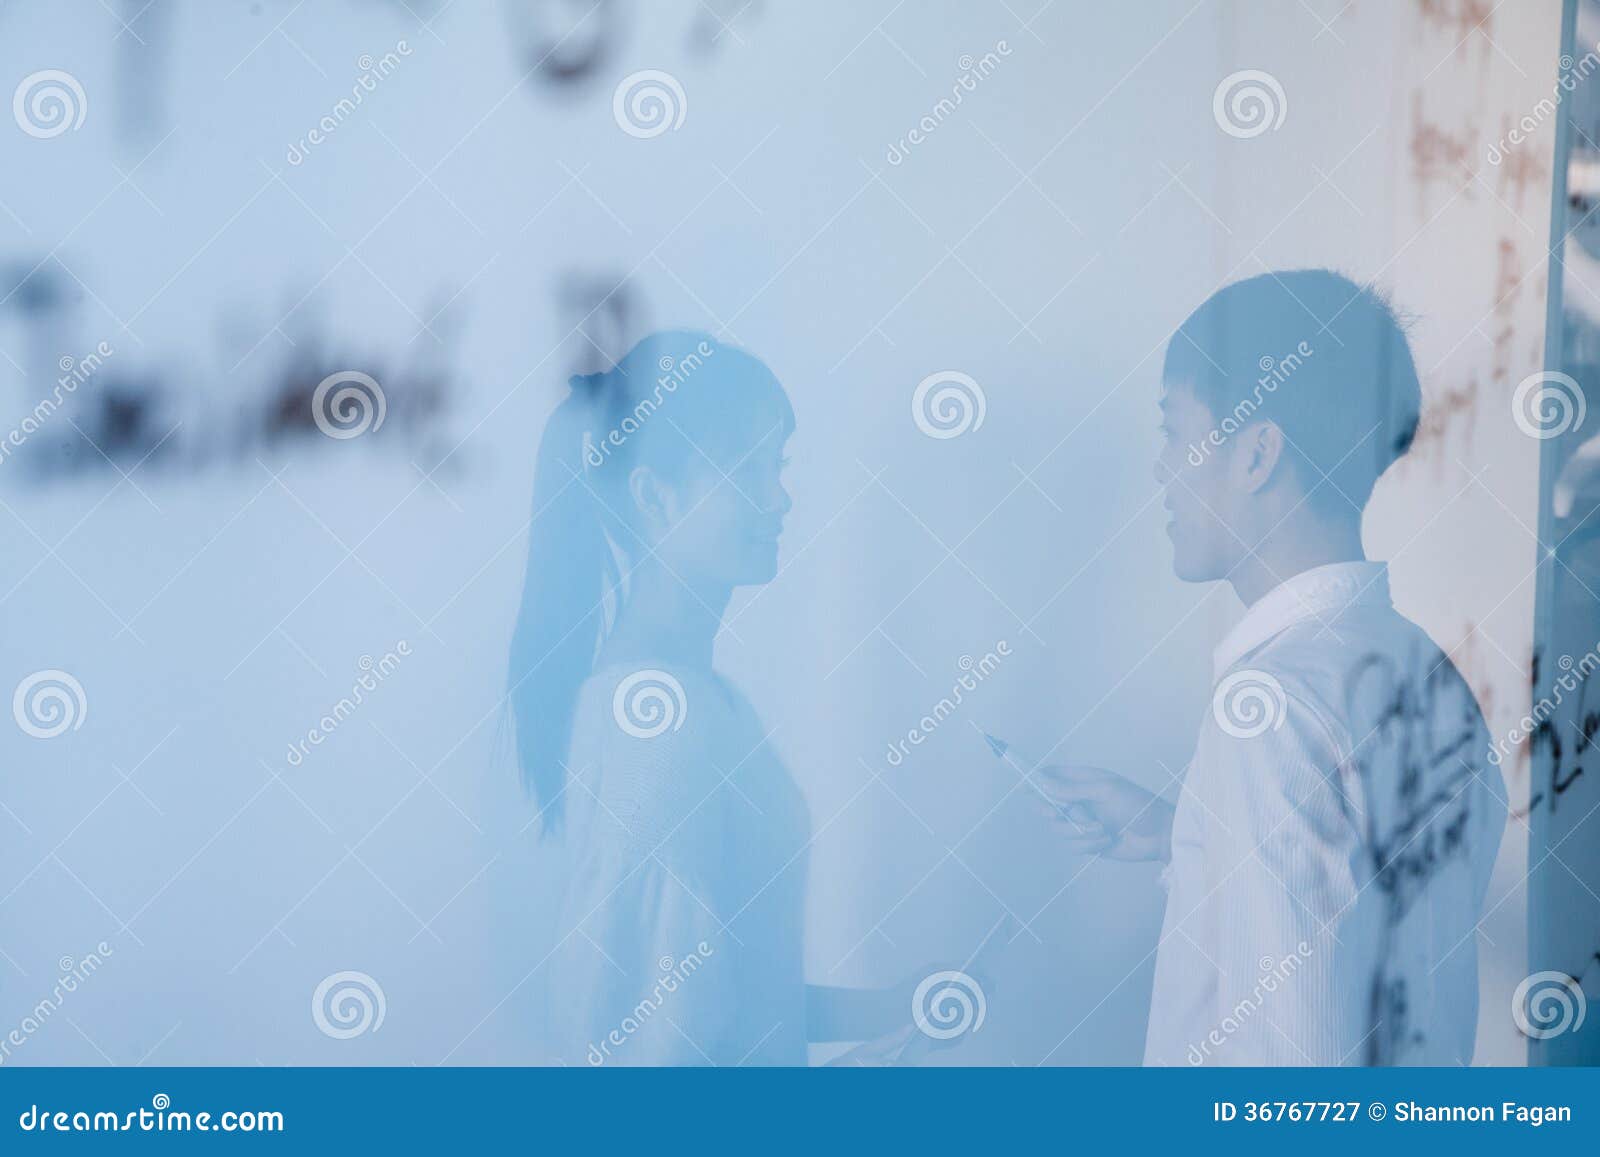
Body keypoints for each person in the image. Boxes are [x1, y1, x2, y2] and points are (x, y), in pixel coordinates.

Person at [1036, 271, 1506, 1065]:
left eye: (1176, 432)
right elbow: (1373, 914)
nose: (1163, 470)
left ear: (1256, 453)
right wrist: (1188, 834)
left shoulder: (1271, 709)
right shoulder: (1427, 672)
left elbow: (1294, 1070)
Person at [507, 331, 922, 1065]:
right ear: (655, 498)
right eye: (744, 469)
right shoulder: (657, 730)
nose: (779, 496)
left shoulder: (705, 703)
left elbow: (729, 999)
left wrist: (893, 1009)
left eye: (777, 464)